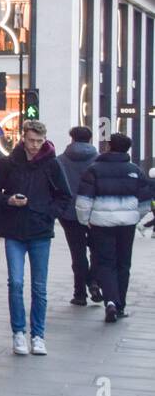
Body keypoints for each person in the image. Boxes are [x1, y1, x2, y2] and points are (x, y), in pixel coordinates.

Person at [0, 119, 73, 356]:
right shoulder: (8, 163)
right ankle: (19, 333)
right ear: (23, 137)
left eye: (39, 141)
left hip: (40, 231)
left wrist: (48, 214)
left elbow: (65, 196)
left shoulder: (51, 164)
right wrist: (8, 200)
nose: (35, 145)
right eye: (31, 140)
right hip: (13, 229)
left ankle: (38, 335)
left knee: (39, 286)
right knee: (15, 282)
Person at [75, 132, 155, 322]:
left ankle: (110, 300)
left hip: (101, 224)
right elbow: (144, 203)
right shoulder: (135, 170)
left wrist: (85, 219)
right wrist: (135, 218)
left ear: (109, 146)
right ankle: (120, 304)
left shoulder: (94, 170)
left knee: (105, 262)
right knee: (123, 263)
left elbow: (84, 200)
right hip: (126, 225)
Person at [56, 125, 103, 306]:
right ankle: (93, 281)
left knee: (77, 253)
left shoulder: (60, 160)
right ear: (90, 139)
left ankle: (80, 294)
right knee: (98, 251)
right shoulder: (99, 160)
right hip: (94, 213)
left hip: (69, 213)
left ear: (72, 139)